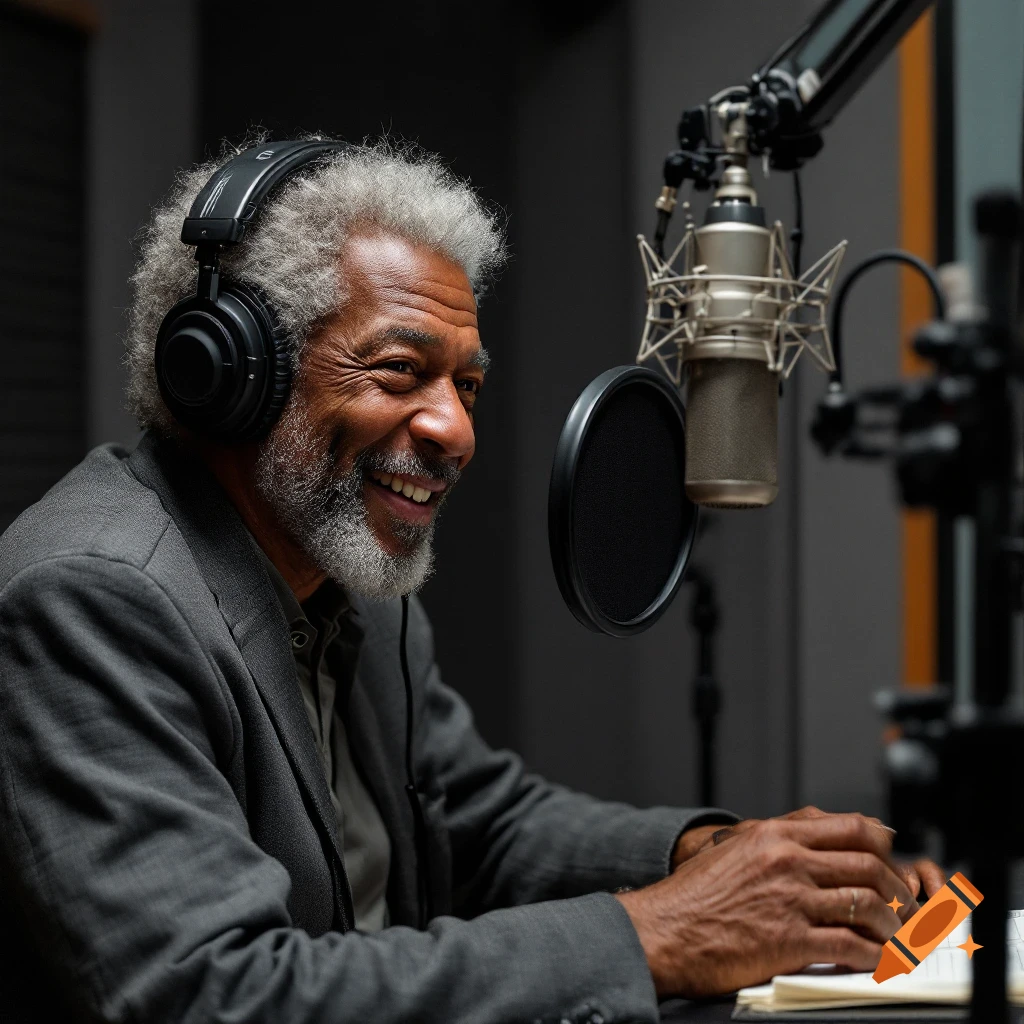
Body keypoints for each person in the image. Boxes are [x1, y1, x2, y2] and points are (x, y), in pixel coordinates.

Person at [0, 139, 944, 1024]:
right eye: (402, 370)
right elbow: (220, 994)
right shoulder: (91, 601)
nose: (454, 429)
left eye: (468, 387)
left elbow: (480, 827)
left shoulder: (349, 582)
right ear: (229, 373)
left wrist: (717, 862)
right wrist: (661, 932)